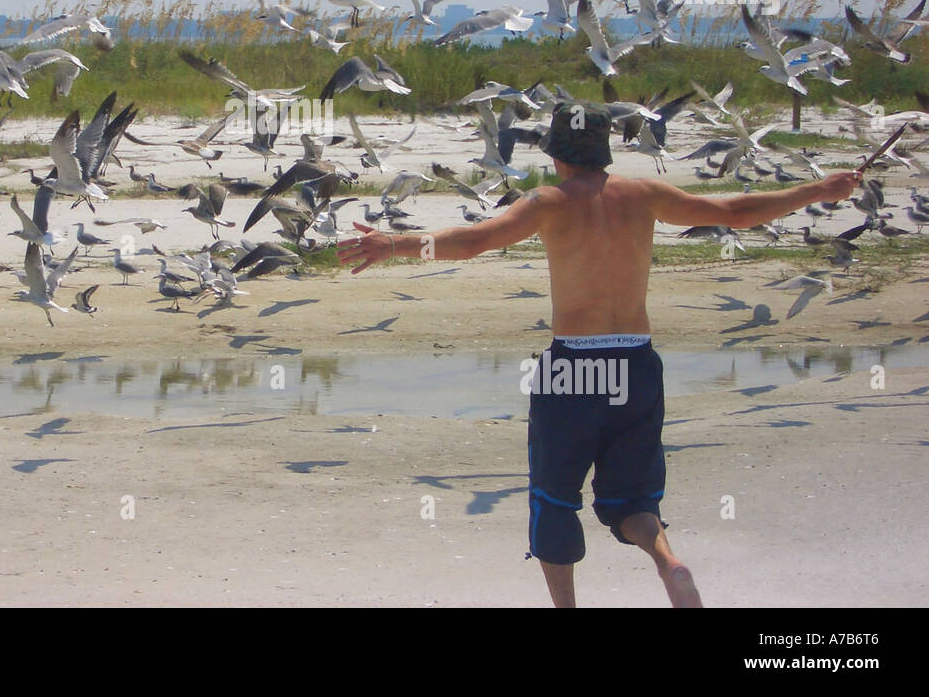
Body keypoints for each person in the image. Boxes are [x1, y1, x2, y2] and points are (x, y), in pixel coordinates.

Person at [336, 102, 862, 607]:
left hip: (574, 366)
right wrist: (819, 188)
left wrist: (395, 245)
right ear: (604, 149)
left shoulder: (548, 201)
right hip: (637, 363)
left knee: (554, 498)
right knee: (633, 500)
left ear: (556, 153)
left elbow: (474, 242)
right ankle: (668, 562)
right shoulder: (645, 193)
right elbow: (735, 212)